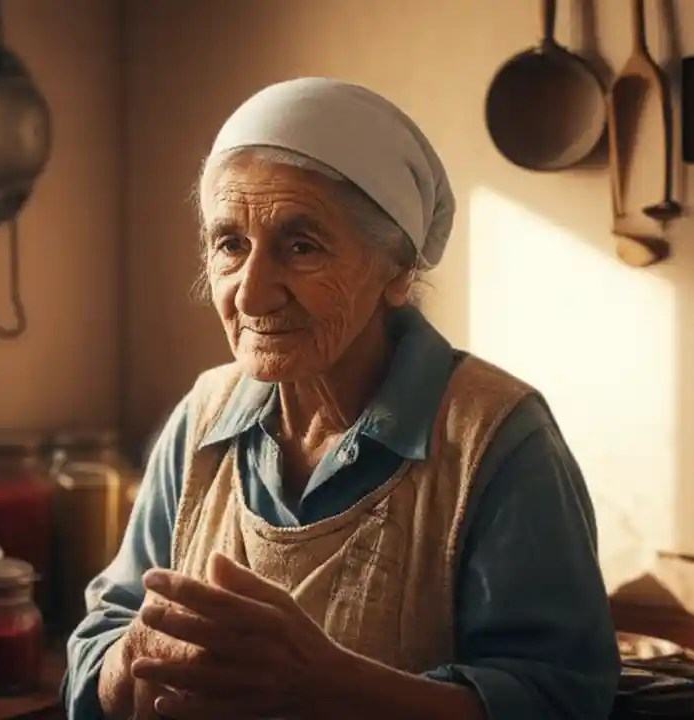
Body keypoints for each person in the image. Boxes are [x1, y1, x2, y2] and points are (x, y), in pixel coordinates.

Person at [62, 77, 619, 719]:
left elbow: (561, 701)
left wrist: (325, 686)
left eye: (302, 247)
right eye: (230, 245)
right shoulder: (201, 420)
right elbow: (97, 645)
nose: (250, 293)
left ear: (398, 271)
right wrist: (133, 657)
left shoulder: (495, 440)